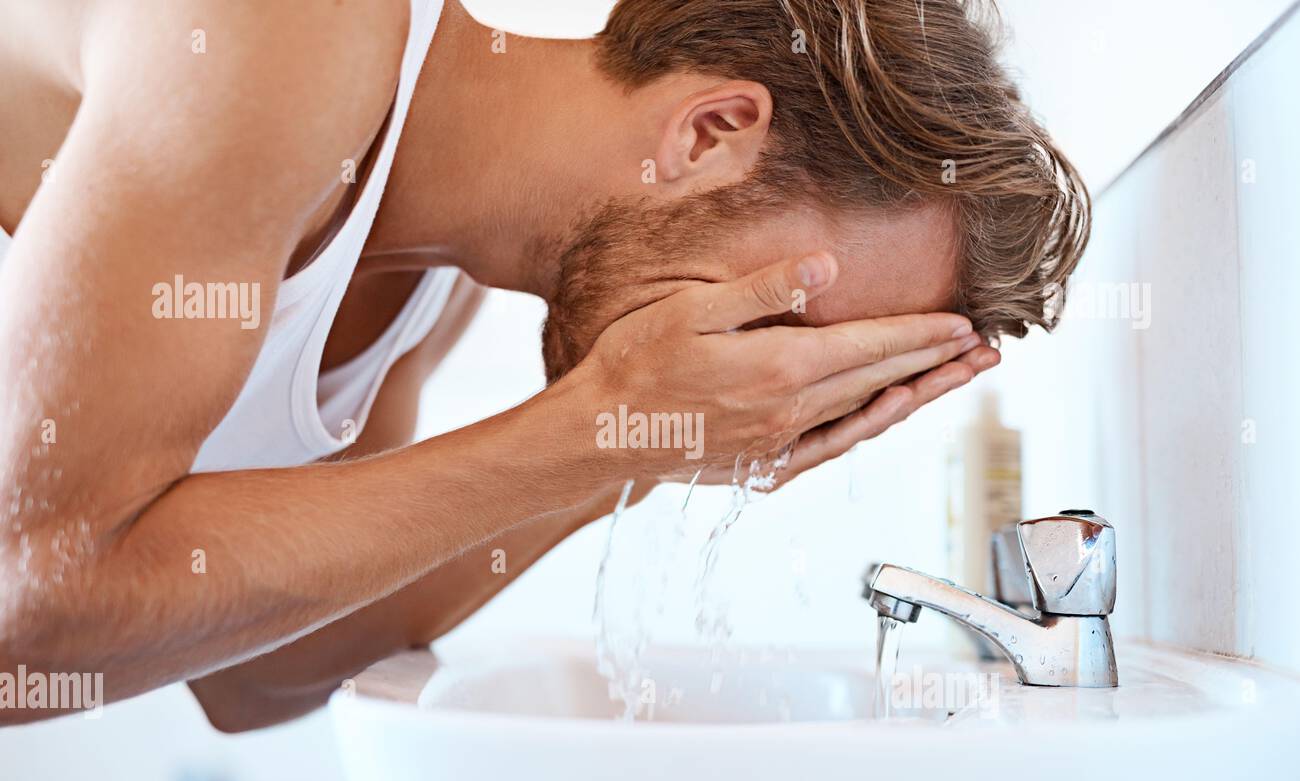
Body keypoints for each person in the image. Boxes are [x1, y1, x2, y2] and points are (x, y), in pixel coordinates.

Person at [0, 0, 1088, 728]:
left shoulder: (432, 289)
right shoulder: (289, 31)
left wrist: (633, 451)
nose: (773, 387)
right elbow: (23, 618)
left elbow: (251, 675)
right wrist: (586, 432)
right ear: (708, 131)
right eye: (798, 330)